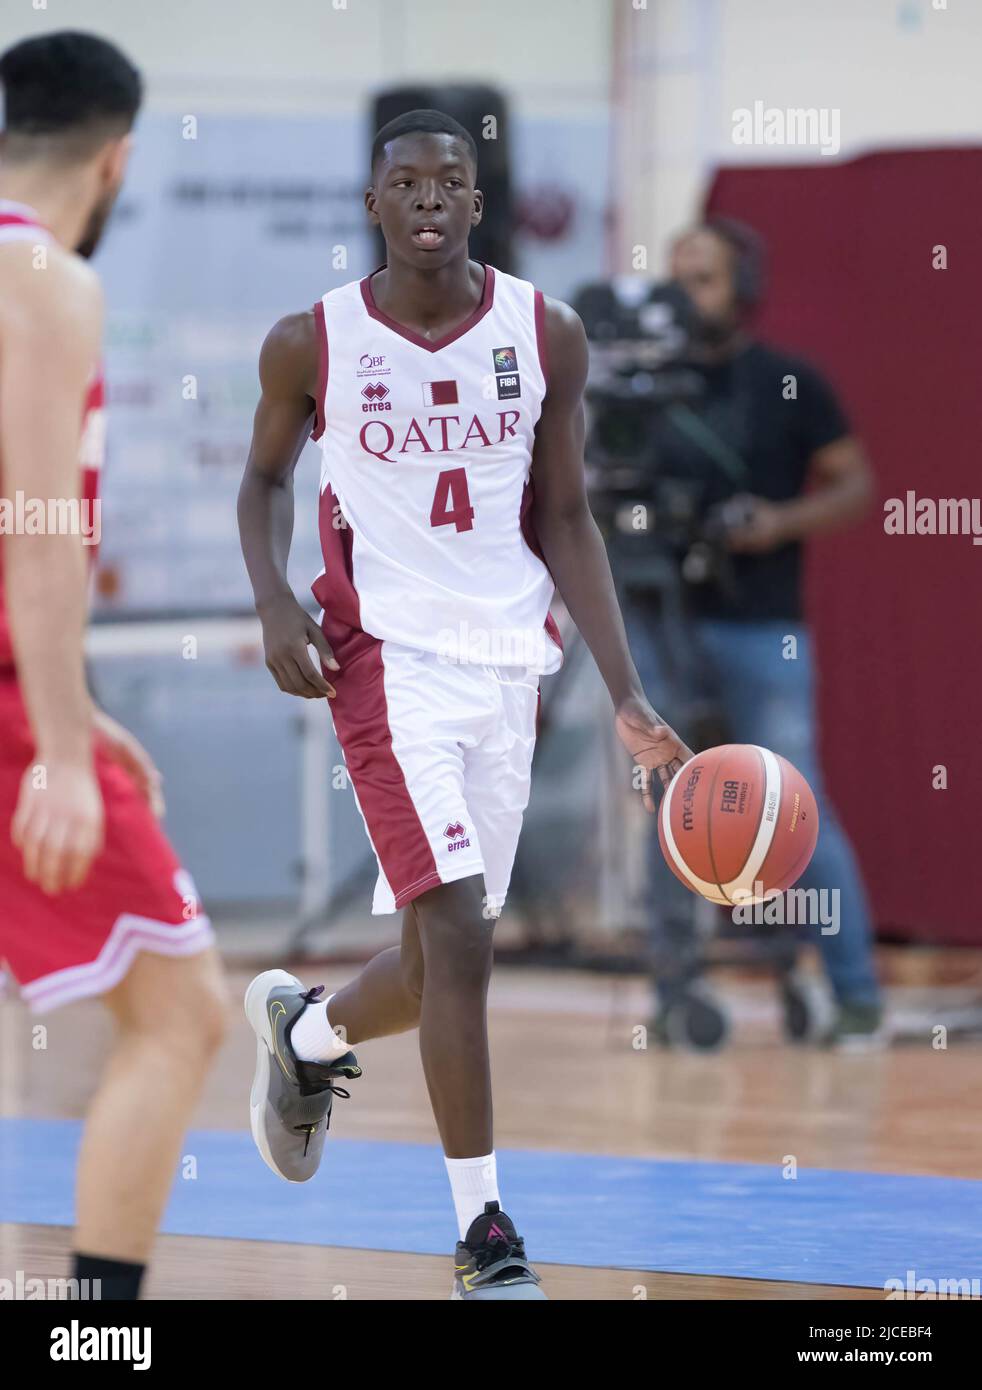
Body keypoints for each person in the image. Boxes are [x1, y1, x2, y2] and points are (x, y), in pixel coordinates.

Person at [238, 109, 692, 1300]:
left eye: (452, 180)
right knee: (457, 938)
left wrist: (628, 691)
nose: (430, 196)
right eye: (407, 182)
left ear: (478, 205)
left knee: (442, 962)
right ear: (374, 204)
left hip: (507, 666)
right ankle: (485, 1231)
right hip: (384, 665)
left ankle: (305, 1035)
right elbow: (263, 480)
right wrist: (275, 603)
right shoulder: (313, 341)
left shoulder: (547, 333)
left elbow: (565, 517)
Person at [0, 31, 228, 1300]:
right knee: (182, 1014)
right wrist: (66, 748)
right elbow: (32, 530)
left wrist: (77, 707)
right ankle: (98, 1336)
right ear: (119, 160)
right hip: (7, 710)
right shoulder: (42, 279)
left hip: (28, 692)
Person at [627, 218, 882, 1047]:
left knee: (793, 803)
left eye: (701, 278)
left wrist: (779, 523)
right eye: (675, 277)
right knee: (671, 803)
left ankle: (854, 996)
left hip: (761, 624)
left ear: (744, 286)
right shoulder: (636, 390)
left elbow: (854, 486)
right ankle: (675, 994)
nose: (684, 295)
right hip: (659, 623)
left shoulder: (790, 382)